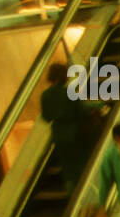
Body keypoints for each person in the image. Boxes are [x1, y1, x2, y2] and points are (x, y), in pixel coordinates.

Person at [40, 62, 104, 192]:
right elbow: (82, 110)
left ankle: (72, 194)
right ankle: (88, 191)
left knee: (68, 168)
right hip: (75, 132)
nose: (68, 78)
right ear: (62, 76)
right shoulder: (68, 92)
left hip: (58, 135)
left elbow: (46, 117)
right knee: (83, 165)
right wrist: (98, 105)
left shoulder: (45, 95)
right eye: (66, 75)